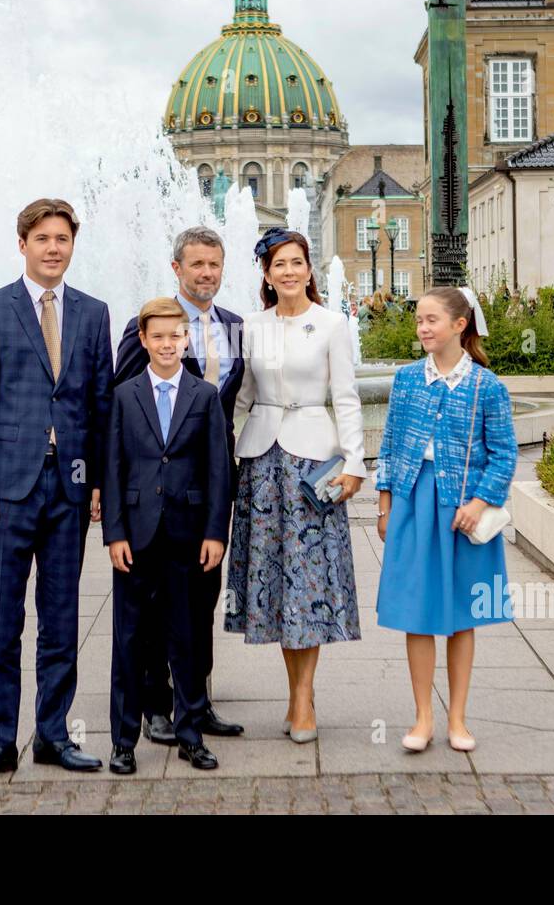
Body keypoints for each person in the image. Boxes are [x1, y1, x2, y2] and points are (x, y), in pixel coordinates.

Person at [0, 198, 114, 785]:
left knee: (62, 617)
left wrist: (97, 481)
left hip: (67, 490)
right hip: (7, 492)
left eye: (62, 239)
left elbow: (100, 406)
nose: (53, 248)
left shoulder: (94, 315)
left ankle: (52, 733)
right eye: (42, 238)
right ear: (22, 244)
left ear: (73, 246)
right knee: (2, 621)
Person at [223, 228, 366, 744]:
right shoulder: (250, 327)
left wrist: (354, 462)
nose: (288, 271)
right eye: (278, 264)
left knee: (310, 584)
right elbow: (240, 397)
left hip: (313, 465)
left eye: (296, 263)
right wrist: (221, 450)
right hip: (261, 464)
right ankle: (295, 694)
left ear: (309, 269)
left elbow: (347, 398)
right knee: (278, 584)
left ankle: (304, 699)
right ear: (266, 273)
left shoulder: (332, 324)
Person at [112, 227, 245, 744]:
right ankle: (155, 704)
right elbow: (121, 402)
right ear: (177, 269)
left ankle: (198, 700)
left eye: (214, 263)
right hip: (156, 493)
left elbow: (234, 401)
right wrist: (110, 487)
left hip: (208, 484)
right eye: (196, 265)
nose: (206, 272)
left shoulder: (234, 325)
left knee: (201, 596)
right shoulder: (149, 324)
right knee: (150, 607)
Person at [374, 286, 518, 754]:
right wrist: (385, 503)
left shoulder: (486, 386)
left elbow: (504, 454)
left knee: (460, 616)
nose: (422, 328)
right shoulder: (407, 379)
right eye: (418, 320)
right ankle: (423, 718)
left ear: (460, 325)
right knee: (417, 614)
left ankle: (459, 719)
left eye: (431, 319)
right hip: (415, 502)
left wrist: (480, 503)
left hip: (462, 510)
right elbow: (391, 443)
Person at [102, 297, 232, 774]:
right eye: (157, 337)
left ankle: (191, 734)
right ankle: (122, 741)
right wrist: (114, 533)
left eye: (174, 336)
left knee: (187, 636)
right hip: (134, 538)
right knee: (130, 639)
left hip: (187, 534)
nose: (166, 344)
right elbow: (113, 469)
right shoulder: (123, 396)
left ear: (186, 339)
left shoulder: (204, 397)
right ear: (143, 340)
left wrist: (215, 532)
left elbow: (218, 471)